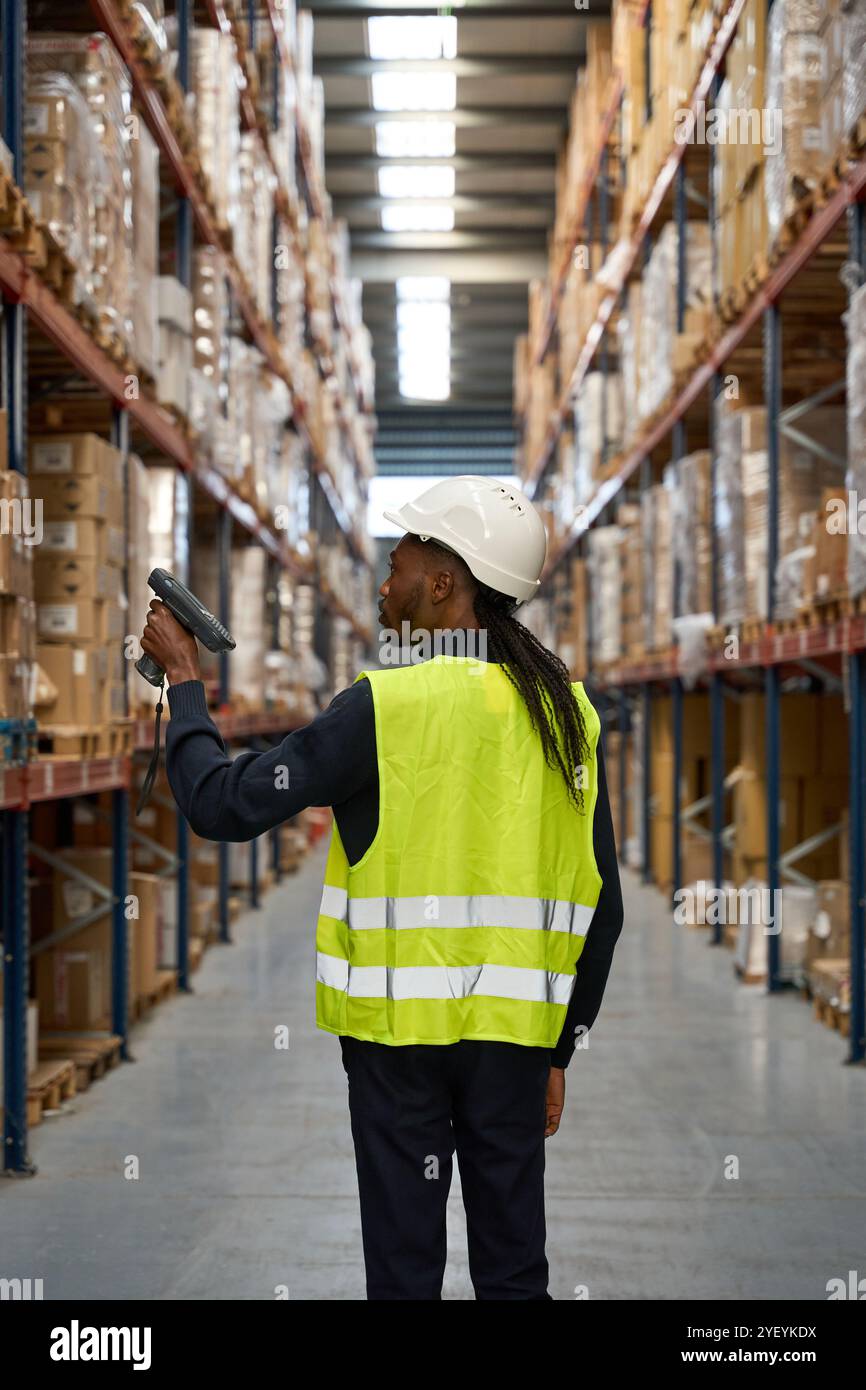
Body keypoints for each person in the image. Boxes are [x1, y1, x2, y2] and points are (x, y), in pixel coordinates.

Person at [140, 475, 624, 1301]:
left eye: (401, 554)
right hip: (514, 1040)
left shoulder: (383, 708)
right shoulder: (566, 712)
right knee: (514, 1272)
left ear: (444, 582)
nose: (385, 571)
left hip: (398, 1045)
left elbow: (221, 805)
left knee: (404, 1273)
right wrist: (560, 1047)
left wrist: (185, 679)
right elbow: (603, 909)